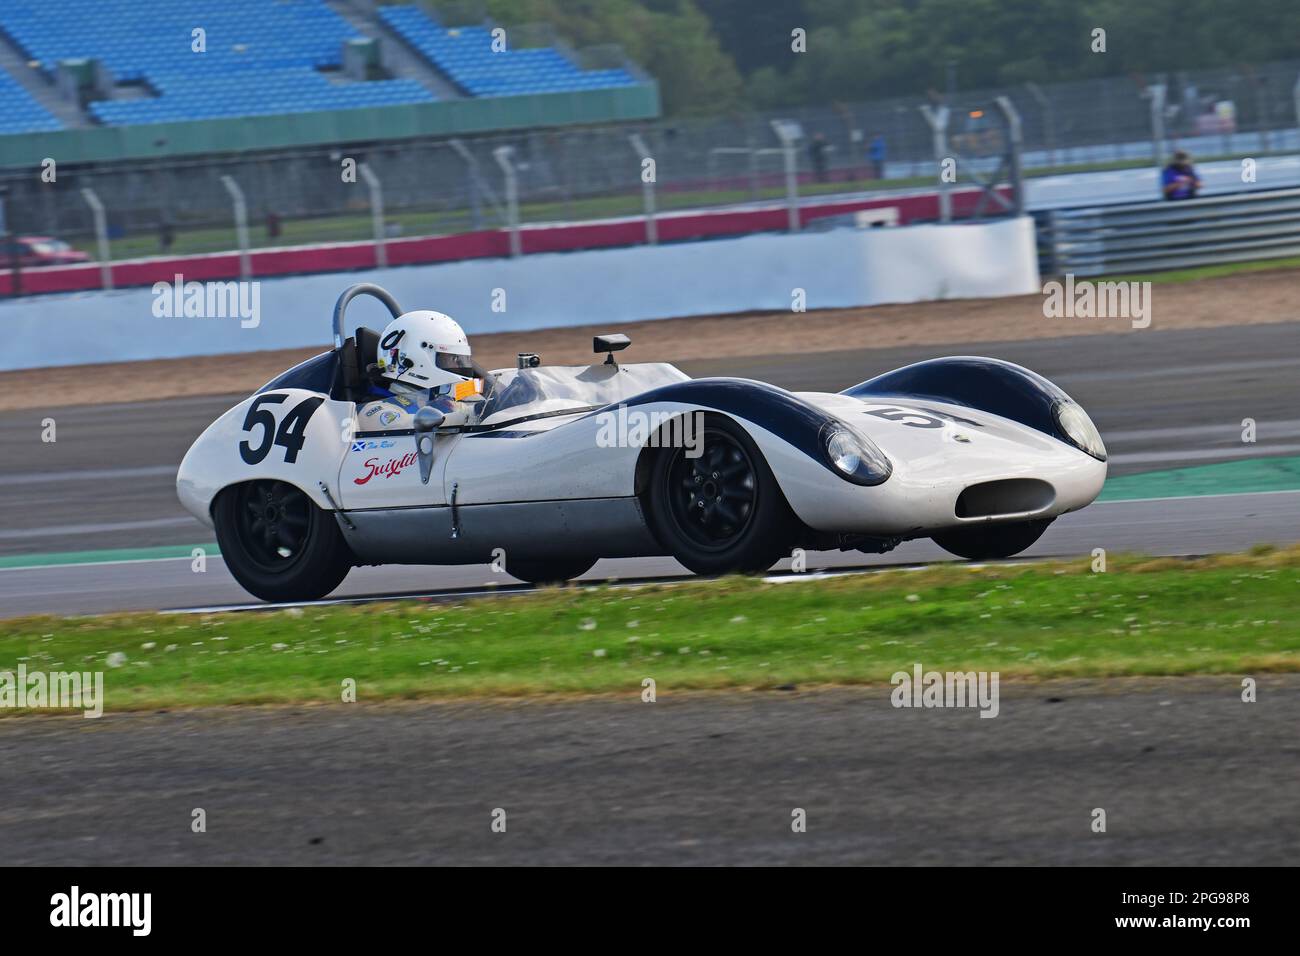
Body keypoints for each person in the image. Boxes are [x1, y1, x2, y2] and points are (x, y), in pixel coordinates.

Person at [364, 310, 484, 426]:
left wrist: (485, 408)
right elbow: (412, 425)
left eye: (460, 361)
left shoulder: (442, 400)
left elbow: (473, 409)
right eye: (451, 359)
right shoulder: (375, 410)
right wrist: (463, 417)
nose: (458, 367)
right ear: (415, 358)